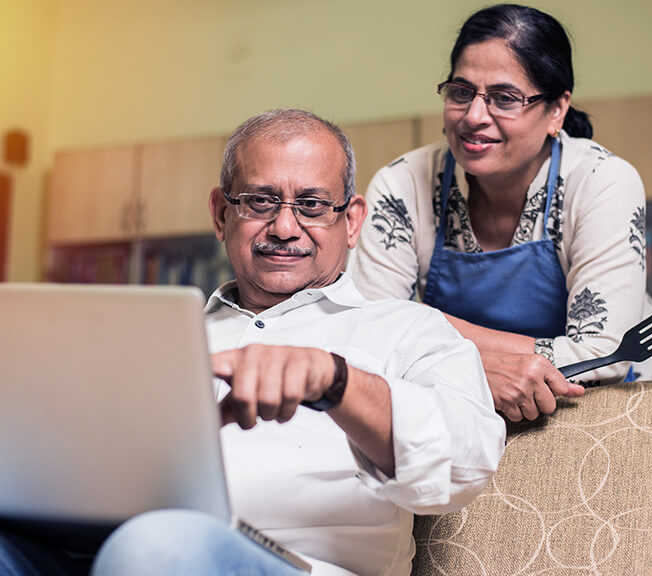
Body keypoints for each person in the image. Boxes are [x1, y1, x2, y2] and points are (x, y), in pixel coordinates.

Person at [84, 109, 504, 576]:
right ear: (222, 214)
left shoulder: (410, 329)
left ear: (351, 222)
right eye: (260, 202)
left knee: (153, 548)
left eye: (312, 205)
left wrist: (335, 381)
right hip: (116, 545)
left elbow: (466, 464)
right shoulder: (158, 339)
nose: (284, 228)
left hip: (293, 566)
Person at [347, 3, 652, 425]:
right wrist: (484, 369)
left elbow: (604, 355)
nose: (474, 116)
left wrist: (425, 328)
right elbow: (367, 336)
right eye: (461, 92)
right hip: (479, 415)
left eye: (505, 98)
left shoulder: (601, 181)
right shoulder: (403, 184)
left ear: (557, 110)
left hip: (620, 413)